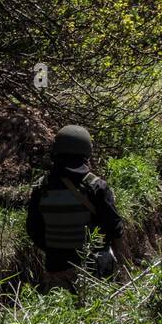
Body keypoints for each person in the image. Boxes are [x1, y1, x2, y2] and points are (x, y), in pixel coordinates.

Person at [25, 124, 124, 292]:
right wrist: (120, 265)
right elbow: (115, 229)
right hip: (93, 270)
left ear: (56, 152)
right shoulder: (96, 186)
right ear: (86, 152)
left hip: (55, 269)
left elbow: (33, 229)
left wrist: (55, 251)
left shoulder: (41, 187)